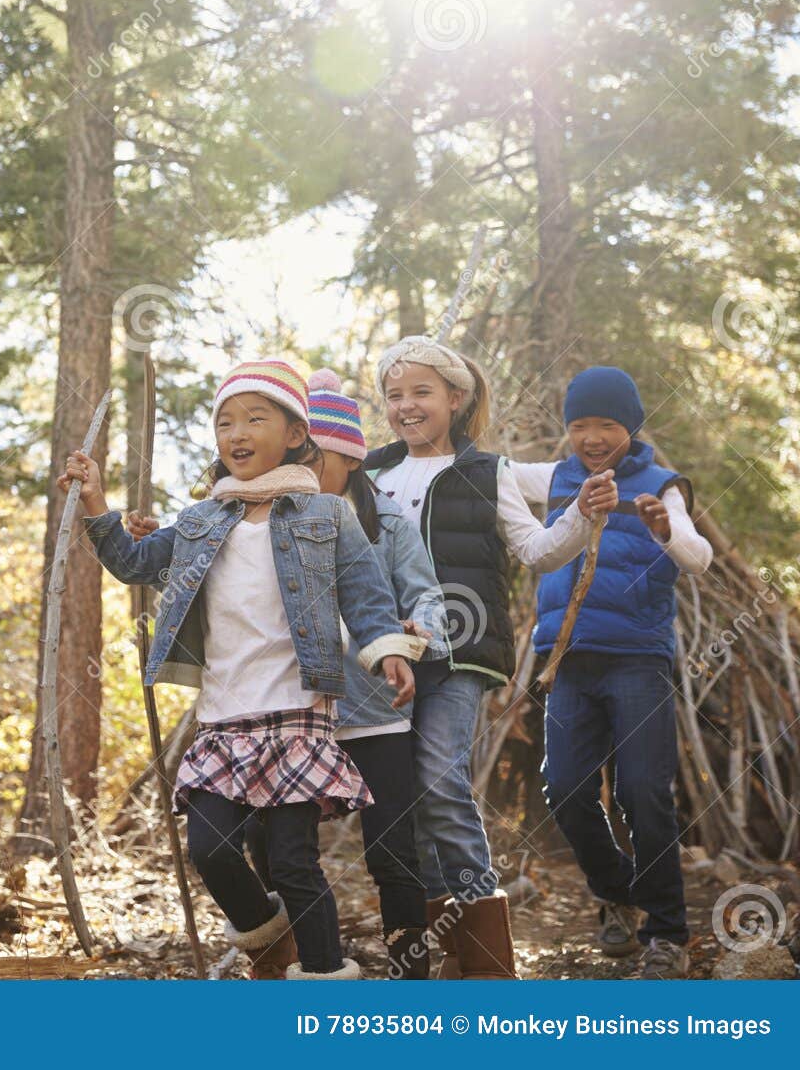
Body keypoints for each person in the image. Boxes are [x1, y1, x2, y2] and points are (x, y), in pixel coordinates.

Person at [62, 358, 425, 980]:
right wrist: (98, 501)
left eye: (255, 417)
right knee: (212, 850)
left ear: (293, 435)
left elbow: (366, 595)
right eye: (224, 421)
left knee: (293, 861)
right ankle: (270, 938)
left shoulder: (326, 516)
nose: (236, 431)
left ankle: (322, 979)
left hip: (295, 716)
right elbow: (134, 563)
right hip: (223, 720)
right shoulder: (201, 521)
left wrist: (388, 648)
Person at [365, 335, 618, 977]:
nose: (406, 405)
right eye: (395, 395)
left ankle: (485, 959)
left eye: (421, 392)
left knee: (438, 782)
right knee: (401, 798)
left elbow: (536, 550)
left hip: (460, 650)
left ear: (457, 398)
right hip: (387, 651)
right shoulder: (370, 473)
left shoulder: (489, 473)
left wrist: (582, 517)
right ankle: (432, 949)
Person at [521, 366, 711, 979]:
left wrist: (662, 530)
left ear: (631, 426)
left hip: (637, 659)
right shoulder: (553, 479)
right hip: (568, 660)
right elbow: (481, 471)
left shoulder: (662, 484)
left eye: (607, 424)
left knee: (643, 793)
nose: (592, 437)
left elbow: (698, 557)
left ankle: (667, 934)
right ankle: (618, 896)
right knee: (567, 788)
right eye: (580, 425)